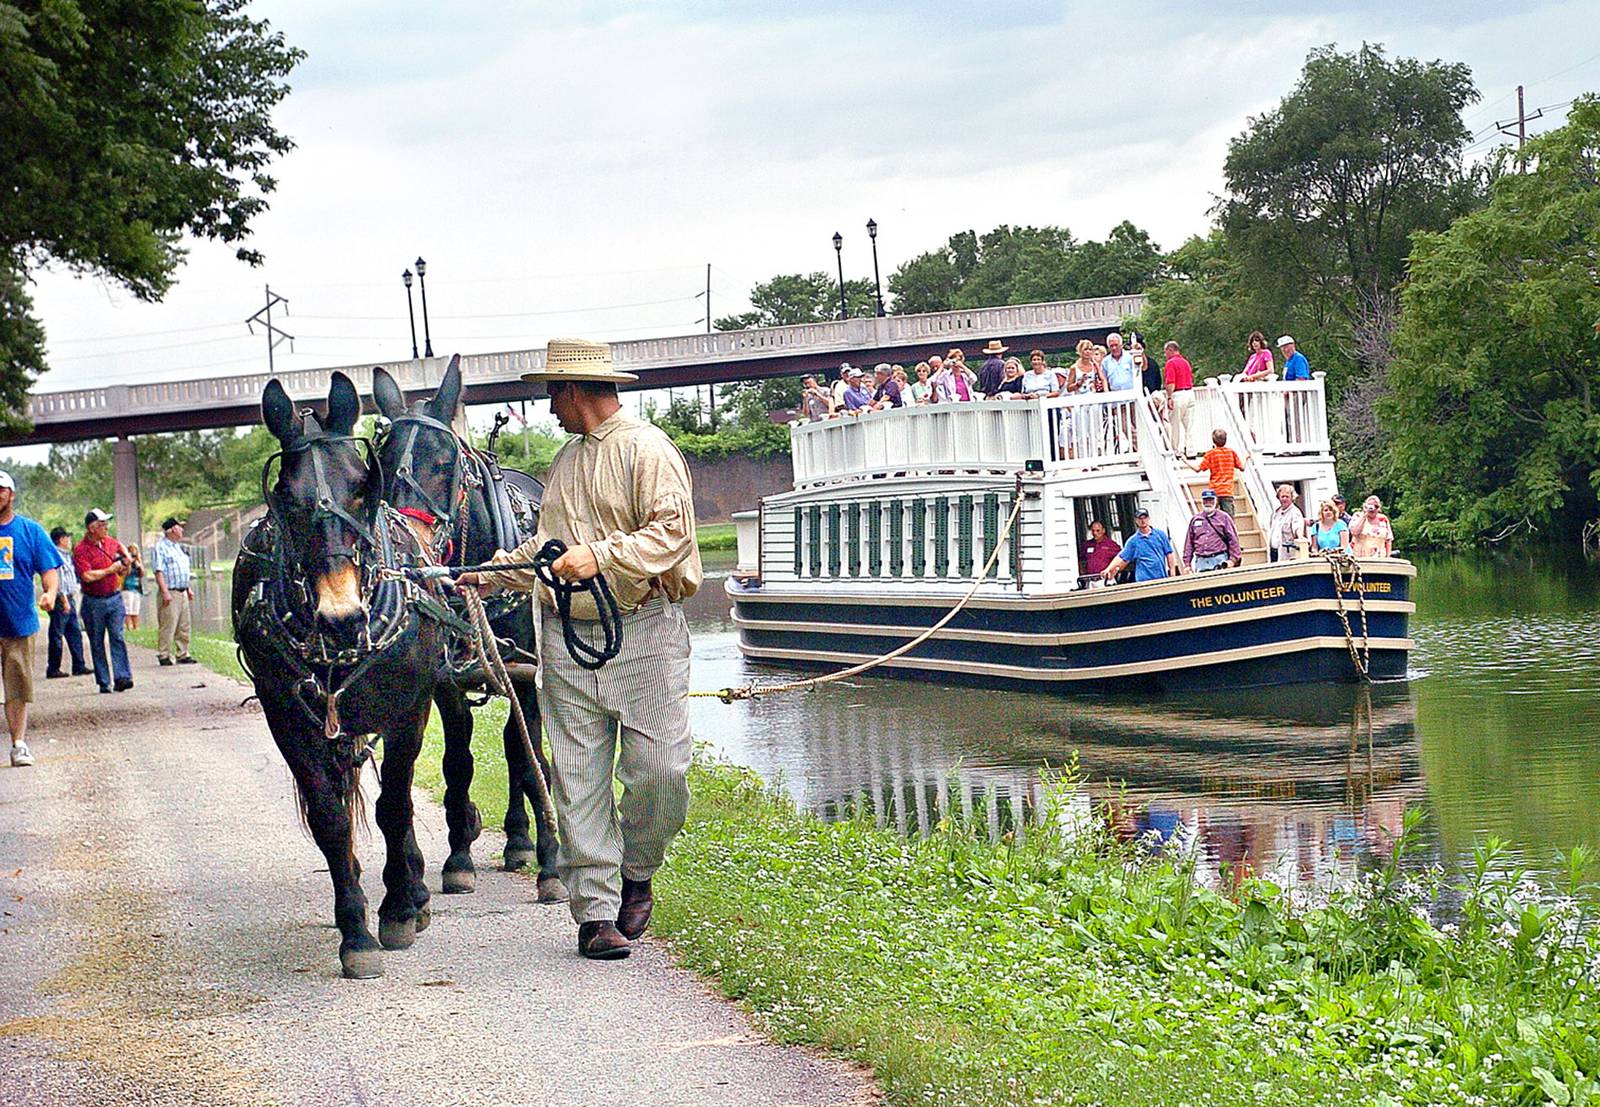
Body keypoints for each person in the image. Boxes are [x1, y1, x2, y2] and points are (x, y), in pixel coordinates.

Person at [465, 337, 702, 962]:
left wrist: (597, 555)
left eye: (552, 394)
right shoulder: (566, 463)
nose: (548, 409)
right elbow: (546, 551)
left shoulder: (648, 449)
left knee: (662, 773)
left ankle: (639, 871)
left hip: (644, 630)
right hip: (567, 639)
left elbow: (672, 535)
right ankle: (595, 916)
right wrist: (489, 574)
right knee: (576, 782)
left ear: (573, 391)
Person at [1, 470, 62, 767]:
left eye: (1, 490)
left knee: (17, 688)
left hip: (19, 623)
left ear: (11, 495)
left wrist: (50, 593)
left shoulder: (29, 531)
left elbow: (50, 570)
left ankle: (19, 745)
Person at [73, 509, 134, 693]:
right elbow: (87, 576)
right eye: (102, 524)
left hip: (114, 597)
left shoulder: (110, 542)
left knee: (117, 635)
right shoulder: (81, 550)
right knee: (97, 641)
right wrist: (110, 569)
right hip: (93, 601)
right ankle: (104, 681)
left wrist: (125, 564)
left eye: (107, 524)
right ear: (92, 528)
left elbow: (123, 562)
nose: (106, 527)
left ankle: (122, 676)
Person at [45, 526, 89, 679]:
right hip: (60, 600)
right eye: (67, 538)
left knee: (75, 633)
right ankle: (53, 668)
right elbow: (59, 580)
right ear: (61, 539)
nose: (69, 541)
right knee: (57, 634)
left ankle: (79, 664)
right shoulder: (55, 556)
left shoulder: (67, 556)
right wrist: (64, 601)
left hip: (70, 598)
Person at [151, 515, 195, 666]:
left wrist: (188, 589)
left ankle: (182, 653)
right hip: (170, 591)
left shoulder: (178, 547)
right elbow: (159, 571)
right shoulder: (160, 548)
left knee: (184, 624)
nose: (182, 530)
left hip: (182, 591)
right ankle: (164, 654)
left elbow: (182, 570)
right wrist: (164, 592)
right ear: (172, 530)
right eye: (179, 527)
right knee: (168, 623)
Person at [1101, 507, 1178, 583]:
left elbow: (1169, 554)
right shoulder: (1133, 541)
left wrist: (1172, 574)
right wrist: (1108, 569)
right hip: (1143, 581)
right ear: (1136, 520)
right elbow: (1121, 557)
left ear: (1148, 518)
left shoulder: (1160, 535)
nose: (1143, 520)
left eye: (1145, 517)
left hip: (1161, 578)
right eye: (1140, 518)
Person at [1189, 429, 1248, 517]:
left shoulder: (1210, 454)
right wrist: (1246, 458)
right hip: (1227, 491)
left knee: (1211, 517)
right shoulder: (1231, 453)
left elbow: (1198, 469)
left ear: (1213, 440)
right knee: (1228, 519)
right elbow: (1242, 468)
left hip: (1214, 491)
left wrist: (1184, 460)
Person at [1183, 489, 1242, 572]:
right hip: (1201, 561)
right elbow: (1189, 543)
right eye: (1205, 500)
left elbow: (1233, 540)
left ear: (1215, 501)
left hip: (1219, 559)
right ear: (1202, 501)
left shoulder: (1224, 518)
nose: (1208, 503)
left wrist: (1232, 560)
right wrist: (1187, 564)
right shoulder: (1195, 519)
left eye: (1211, 500)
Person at [1163, 340, 1197, 457]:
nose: (1165, 355)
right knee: (1189, 425)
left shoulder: (1171, 363)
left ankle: (1177, 451)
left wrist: (1169, 397)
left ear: (1170, 350)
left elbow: (1171, 382)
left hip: (1178, 395)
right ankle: (1191, 450)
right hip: (1190, 393)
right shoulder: (1185, 362)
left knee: (1175, 424)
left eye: (1165, 352)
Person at [1267, 484, 1305, 562]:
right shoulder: (1276, 513)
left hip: (1286, 554)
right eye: (1282, 496)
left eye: (1287, 497)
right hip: (1274, 552)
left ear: (1292, 498)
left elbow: (1297, 526)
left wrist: (1300, 536)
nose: (1284, 499)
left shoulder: (1295, 512)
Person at [120, 544, 145, 630]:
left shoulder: (138, 561)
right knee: (128, 609)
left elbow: (142, 574)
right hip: (127, 587)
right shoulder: (126, 561)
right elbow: (126, 573)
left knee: (136, 609)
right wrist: (130, 562)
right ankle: (128, 627)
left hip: (136, 588)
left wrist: (139, 565)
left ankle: (136, 627)